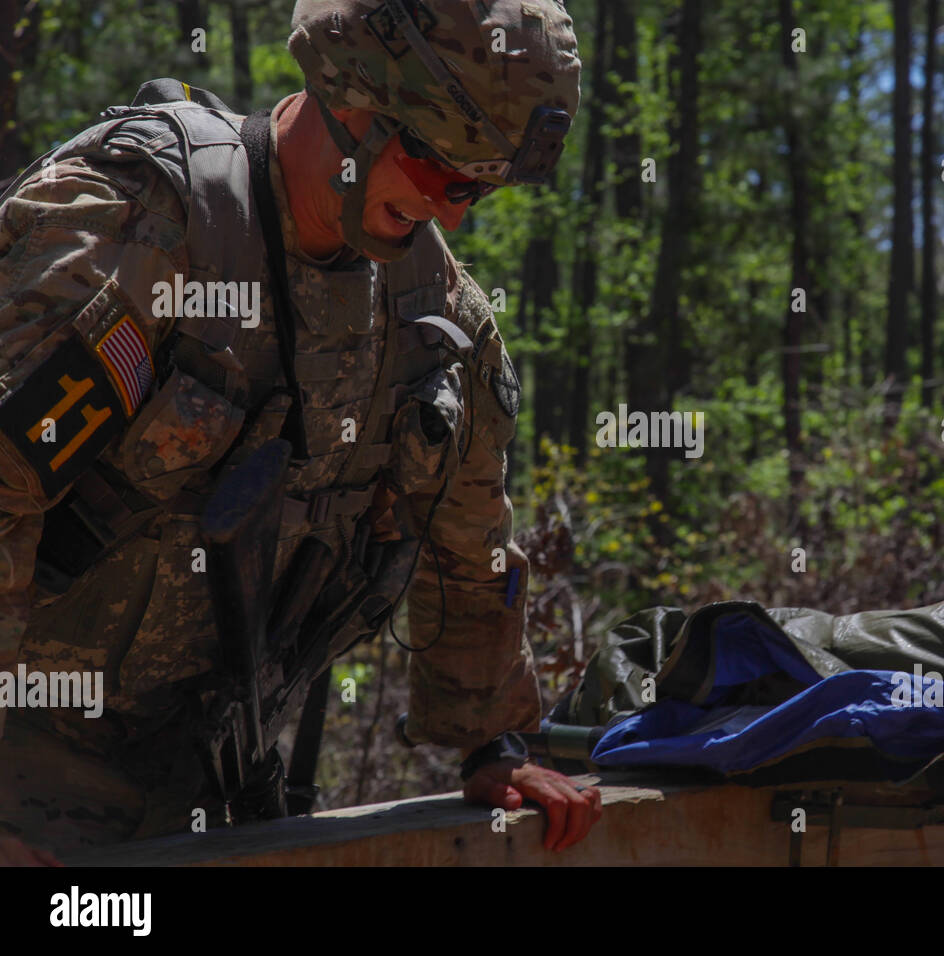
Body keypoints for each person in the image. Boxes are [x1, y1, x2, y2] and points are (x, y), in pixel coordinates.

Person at [0, 0, 600, 864]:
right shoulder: (145, 227)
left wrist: (492, 747)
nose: (451, 214)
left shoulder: (434, 322)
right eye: (436, 169)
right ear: (352, 94)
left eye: (475, 187)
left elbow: (467, 545)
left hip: (207, 798)